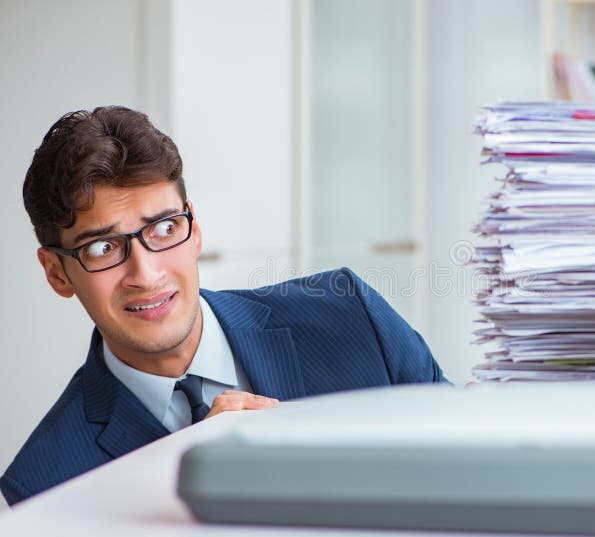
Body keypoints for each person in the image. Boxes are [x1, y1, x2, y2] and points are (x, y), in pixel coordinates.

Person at [1, 106, 446, 506]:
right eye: (101, 248)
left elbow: (474, 478)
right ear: (57, 273)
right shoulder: (45, 482)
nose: (146, 273)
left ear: (194, 229)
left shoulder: (354, 319)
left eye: (163, 229)